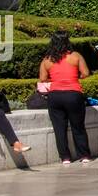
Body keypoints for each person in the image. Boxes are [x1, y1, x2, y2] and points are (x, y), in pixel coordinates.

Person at [38, 31, 92, 164]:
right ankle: (84, 155)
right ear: (67, 42)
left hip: (55, 96)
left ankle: (65, 157)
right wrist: (75, 77)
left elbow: (42, 78)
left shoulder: (47, 60)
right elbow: (85, 73)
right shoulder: (75, 56)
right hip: (73, 94)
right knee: (78, 126)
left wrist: (55, 77)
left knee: (59, 128)